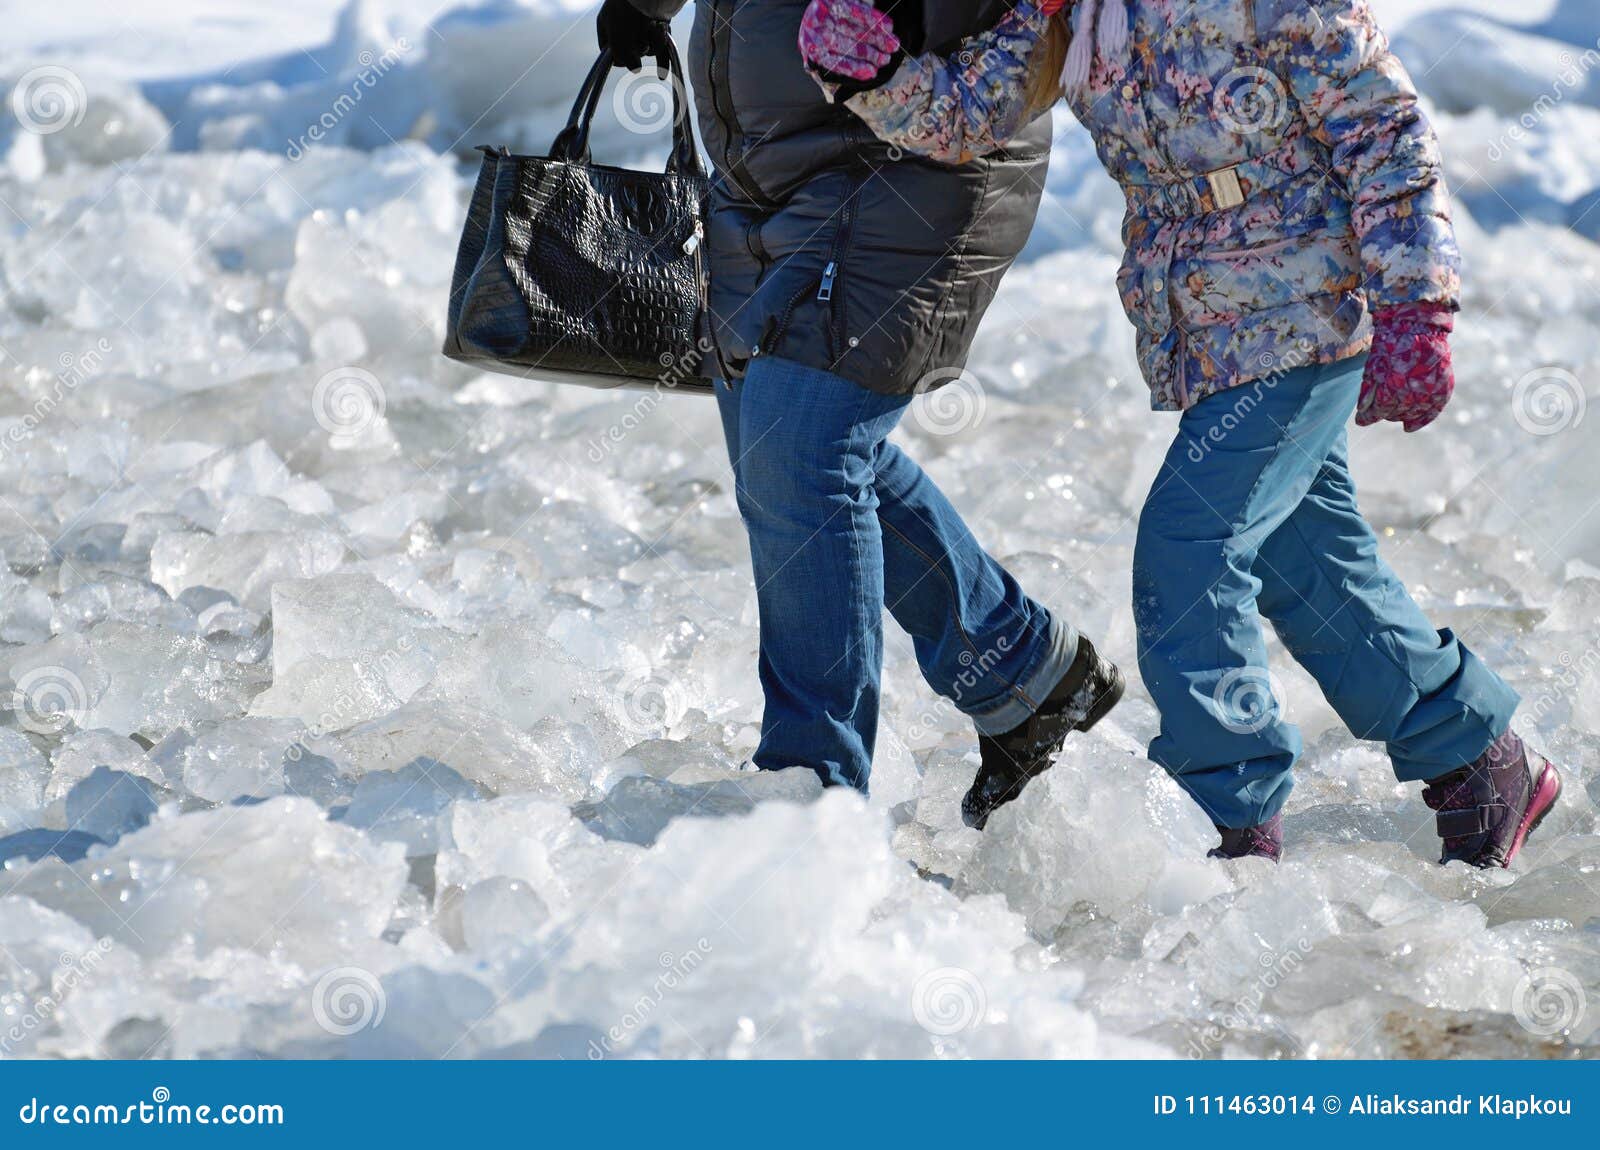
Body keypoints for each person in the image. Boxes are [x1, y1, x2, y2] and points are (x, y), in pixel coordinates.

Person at [803, 0, 1563, 865]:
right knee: (1307, 564)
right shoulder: (1073, 13)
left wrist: (1416, 304)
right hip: (1207, 330)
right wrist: (872, 76)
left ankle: (1225, 822)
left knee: (1189, 549)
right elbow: (968, 115)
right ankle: (1478, 760)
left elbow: (1384, 133)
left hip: (1305, 313)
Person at [592, 0, 1125, 827]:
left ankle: (810, 795)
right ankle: (1020, 669)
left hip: (910, 152)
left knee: (800, 446)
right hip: (768, 165)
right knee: (788, 440)